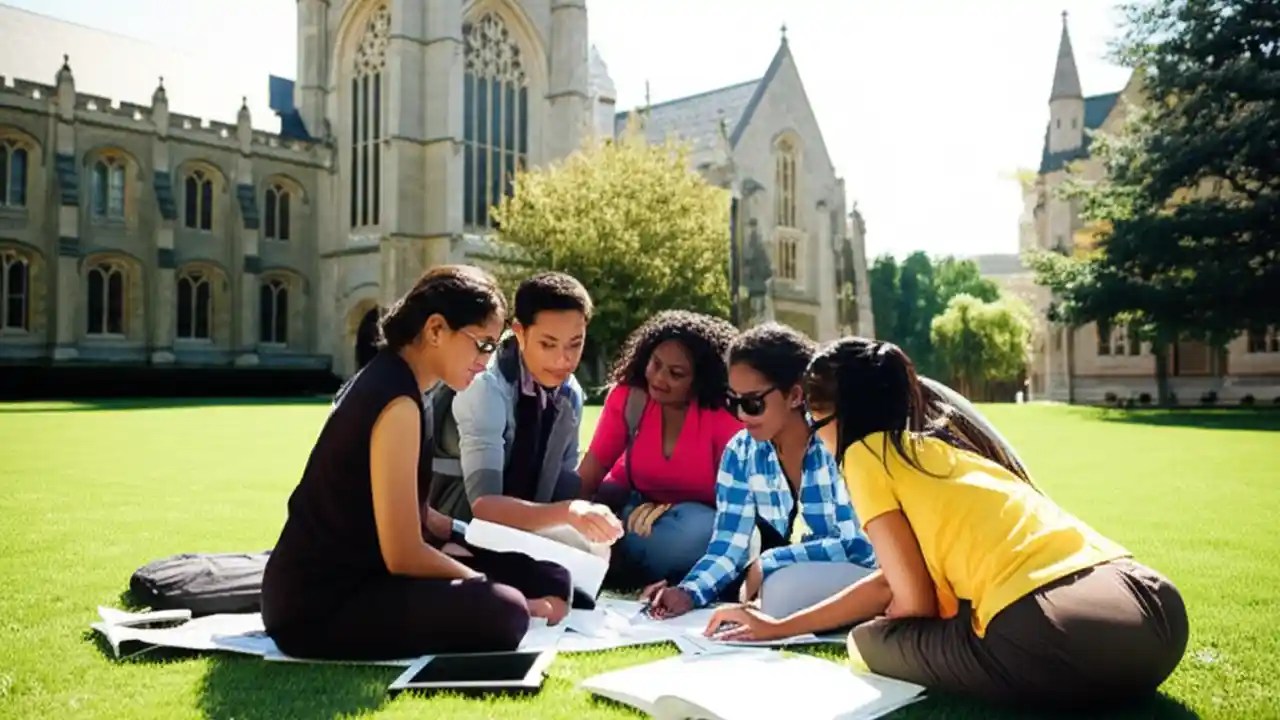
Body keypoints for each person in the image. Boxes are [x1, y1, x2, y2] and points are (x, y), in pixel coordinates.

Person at [705, 338, 1188, 708]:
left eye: (814, 419)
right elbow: (887, 582)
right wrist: (782, 626)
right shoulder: (944, 451)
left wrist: (879, 622)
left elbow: (907, 599)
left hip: (1060, 637)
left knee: (867, 642)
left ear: (832, 414)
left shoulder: (864, 458)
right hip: (1157, 609)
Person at [261, 265, 574, 661]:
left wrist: (465, 540)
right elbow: (403, 553)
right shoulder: (395, 400)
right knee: (505, 609)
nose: (486, 360)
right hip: (321, 604)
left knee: (550, 575)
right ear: (436, 330)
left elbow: (421, 516)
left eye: (494, 347)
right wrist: (480, 580)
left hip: (371, 576)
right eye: (483, 344)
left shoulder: (406, 386)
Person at [641, 323, 878, 618]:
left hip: (870, 575)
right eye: (733, 401)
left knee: (780, 587)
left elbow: (859, 546)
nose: (741, 415)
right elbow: (729, 546)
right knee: (777, 588)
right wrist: (689, 592)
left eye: (753, 403)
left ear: (795, 395)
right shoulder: (740, 453)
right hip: (803, 575)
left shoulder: (836, 445)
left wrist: (771, 560)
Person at [426, 272, 622, 555]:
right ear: (520, 333)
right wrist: (567, 512)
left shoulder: (570, 394)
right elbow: (484, 506)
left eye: (575, 344)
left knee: (594, 547)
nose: (563, 359)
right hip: (455, 522)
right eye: (548, 344)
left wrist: (592, 516)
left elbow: (563, 485)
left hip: (522, 523)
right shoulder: (484, 386)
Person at [578, 310, 743, 586]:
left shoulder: (723, 418)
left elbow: (738, 507)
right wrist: (573, 516)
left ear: (701, 379)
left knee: (701, 531)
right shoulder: (629, 398)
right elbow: (592, 471)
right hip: (629, 514)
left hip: (695, 522)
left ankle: (613, 561)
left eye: (676, 374)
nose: (659, 378)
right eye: (655, 364)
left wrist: (667, 510)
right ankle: (614, 556)